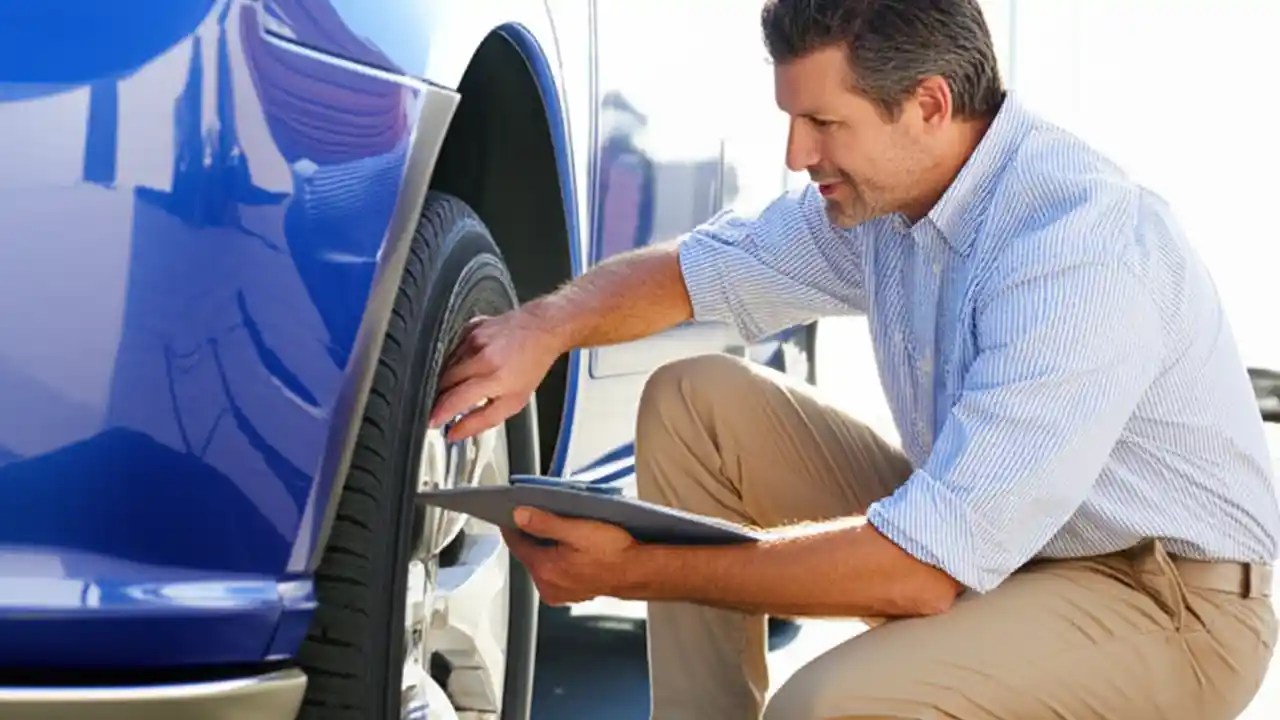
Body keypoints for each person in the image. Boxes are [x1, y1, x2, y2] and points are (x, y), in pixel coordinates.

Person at [429, 0, 1280, 717]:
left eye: (824, 123)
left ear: (930, 104)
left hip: (1163, 602)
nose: (797, 154)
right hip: (998, 538)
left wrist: (625, 573)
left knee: (830, 706)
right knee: (694, 402)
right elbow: (696, 272)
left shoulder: (1071, 249)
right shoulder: (890, 196)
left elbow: (921, 573)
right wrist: (543, 329)